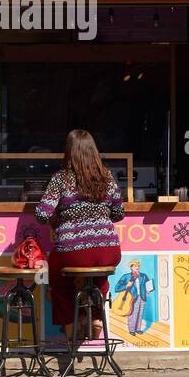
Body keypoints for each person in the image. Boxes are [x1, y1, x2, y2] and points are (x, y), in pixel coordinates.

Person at [35, 129, 124, 340]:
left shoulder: (61, 178)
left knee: (59, 279)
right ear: (93, 150)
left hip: (73, 252)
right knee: (99, 277)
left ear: (69, 151)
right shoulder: (106, 176)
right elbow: (119, 213)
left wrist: (57, 221)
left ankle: (71, 328)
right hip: (108, 251)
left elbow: (41, 214)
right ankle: (96, 317)